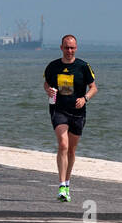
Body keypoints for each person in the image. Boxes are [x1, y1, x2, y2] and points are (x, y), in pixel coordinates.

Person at [42, 34, 98, 202]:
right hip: (58, 110)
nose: (69, 50)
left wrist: (85, 98)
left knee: (72, 150)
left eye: (72, 47)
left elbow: (94, 87)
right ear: (61, 48)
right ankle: (61, 186)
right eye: (66, 47)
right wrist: (49, 90)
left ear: (76, 48)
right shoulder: (53, 66)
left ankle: (67, 182)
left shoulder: (83, 66)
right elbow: (46, 83)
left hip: (78, 112)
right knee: (63, 144)